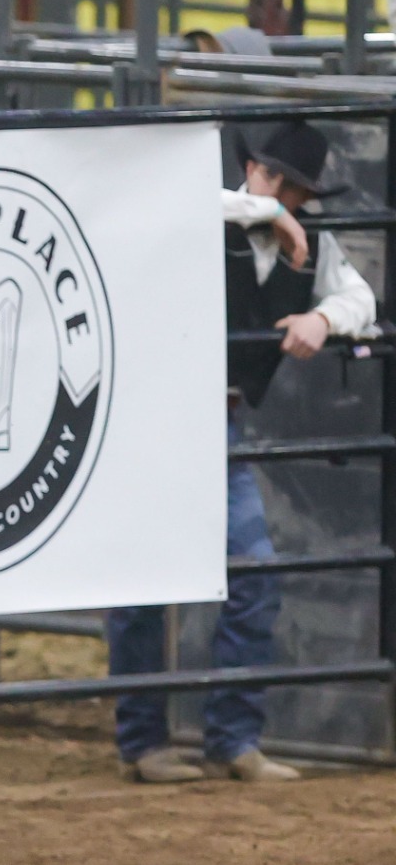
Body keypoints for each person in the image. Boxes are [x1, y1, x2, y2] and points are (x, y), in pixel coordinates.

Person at [109, 120, 375, 785]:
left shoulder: (308, 242)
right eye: (274, 179)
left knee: (252, 574)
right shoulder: (207, 213)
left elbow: (358, 297)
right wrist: (268, 213)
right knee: (149, 581)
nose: (284, 195)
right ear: (253, 170)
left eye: (295, 189)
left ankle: (229, 737)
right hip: (155, 418)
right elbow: (175, 207)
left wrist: (324, 317)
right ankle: (150, 740)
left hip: (215, 422)